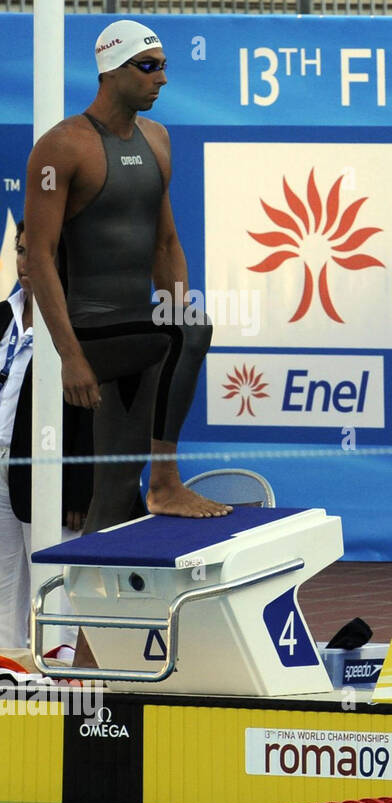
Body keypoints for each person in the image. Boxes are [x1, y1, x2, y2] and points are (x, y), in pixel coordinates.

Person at [22, 19, 228, 532]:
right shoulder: (63, 146)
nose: (162, 79)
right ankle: (165, 482)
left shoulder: (157, 140)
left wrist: (173, 316)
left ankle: (84, 613)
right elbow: (41, 257)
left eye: (164, 67)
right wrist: (69, 356)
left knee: (112, 496)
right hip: (89, 330)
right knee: (189, 329)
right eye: (149, 66)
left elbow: (166, 243)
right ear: (112, 71)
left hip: (139, 329)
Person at [1, 220, 90, 657]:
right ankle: (7, 666)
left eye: (36, 252)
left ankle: (61, 670)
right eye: (20, 250)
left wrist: (78, 487)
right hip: (0, 474)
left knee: (53, 580)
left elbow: (90, 412)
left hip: (47, 473)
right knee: (3, 586)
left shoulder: (79, 325)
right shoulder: (2, 316)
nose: (25, 262)